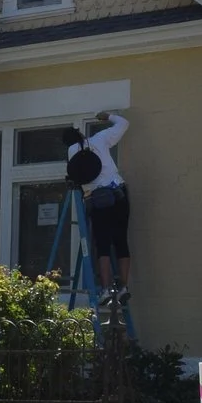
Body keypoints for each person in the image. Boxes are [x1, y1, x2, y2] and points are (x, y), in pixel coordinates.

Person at [64, 113, 132, 295]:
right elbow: (124, 123)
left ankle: (106, 289)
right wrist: (107, 116)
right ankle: (124, 287)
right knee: (121, 241)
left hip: (97, 199)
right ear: (82, 134)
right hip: (118, 194)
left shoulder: (71, 151)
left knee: (102, 245)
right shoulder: (100, 139)